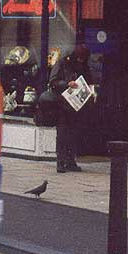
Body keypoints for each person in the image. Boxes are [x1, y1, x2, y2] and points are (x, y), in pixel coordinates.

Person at [50, 44, 94, 173]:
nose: (81, 60)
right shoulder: (63, 63)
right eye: (79, 58)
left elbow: (89, 81)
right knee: (62, 134)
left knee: (74, 134)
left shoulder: (84, 67)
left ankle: (70, 161)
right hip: (62, 105)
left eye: (83, 58)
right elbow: (53, 81)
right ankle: (60, 162)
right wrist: (66, 84)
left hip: (77, 106)